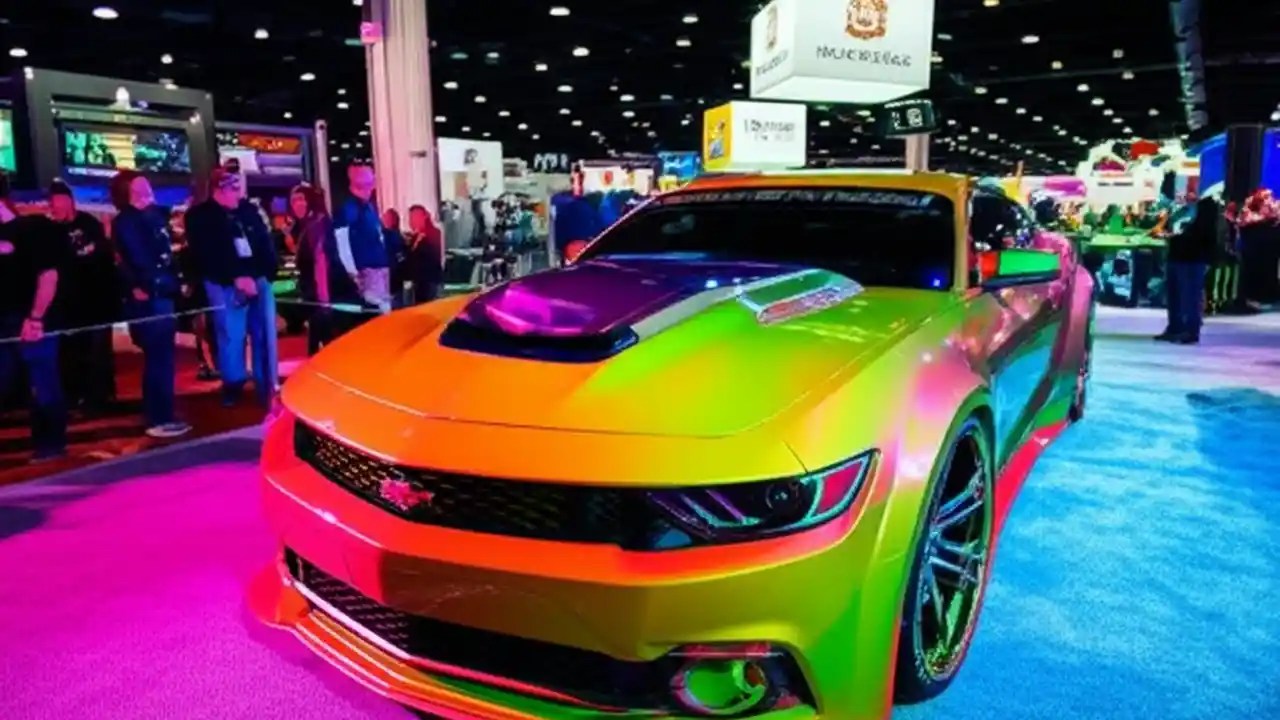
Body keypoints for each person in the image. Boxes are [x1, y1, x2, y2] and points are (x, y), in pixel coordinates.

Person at [186, 168, 279, 406]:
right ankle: (233, 385)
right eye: (235, 188)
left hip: (258, 279)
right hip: (224, 283)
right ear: (220, 189)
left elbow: (264, 242)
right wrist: (235, 277)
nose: (240, 193)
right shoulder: (200, 216)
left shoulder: (248, 210)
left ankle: (266, 386)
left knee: (265, 335)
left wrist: (266, 275)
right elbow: (205, 253)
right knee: (231, 335)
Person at [111, 170, 191, 438]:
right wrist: (152, 284)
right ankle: (158, 417)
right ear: (129, 190)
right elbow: (139, 259)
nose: (147, 187)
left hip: (162, 295)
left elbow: (167, 250)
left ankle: (164, 413)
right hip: (151, 299)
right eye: (140, 184)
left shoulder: (155, 216)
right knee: (158, 358)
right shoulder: (126, 222)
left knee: (164, 358)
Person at [0, 173, 69, 461]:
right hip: (4, 321)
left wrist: (36, 317)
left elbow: (48, 275)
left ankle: (50, 444)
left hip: (29, 319)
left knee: (43, 382)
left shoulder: (32, 229)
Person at [48, 180, 119, 411]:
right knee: (70, 353)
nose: (54, 206)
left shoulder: (89, 224)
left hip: (96, 301)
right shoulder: (50, 231)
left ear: (69, 201)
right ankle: (73, 396)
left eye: (58, 201)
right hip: (68, 305)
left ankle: (99, 397)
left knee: (98, 352)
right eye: (52, 202)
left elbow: (103, 258)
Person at [290, 183, 358, 355]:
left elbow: (321, 260)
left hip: (325, 291)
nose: (296, 204)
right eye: (293, 200)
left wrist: (323, 298)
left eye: (301, 199)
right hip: (317, 291)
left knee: (327, 343)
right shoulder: (309, 224)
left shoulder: (317, 224)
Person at [333, 164, 401, 314]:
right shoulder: (350, 208)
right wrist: (351, 270)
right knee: (378, 312)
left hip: (376, 266)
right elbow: (342, 241)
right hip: (368, 268)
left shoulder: (366, 206)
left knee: (383, 308)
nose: (373, 184)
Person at [1158, 196, 1221, 345]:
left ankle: (1191, 331)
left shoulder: (1207, 206)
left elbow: (1205, 234)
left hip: (1192, 258)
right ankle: (1175, 327)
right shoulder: (1179, 208)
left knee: (1190, 296)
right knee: (1174, 296)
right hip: (1176, 255)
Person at [403, 204, 445, 305]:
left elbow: (432, 255)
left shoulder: (433, 233)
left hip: (430, 280)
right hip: (418, 282)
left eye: (415, 217)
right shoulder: (413, 237)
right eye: (411, 218)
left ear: (424, 217)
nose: (412, 221)